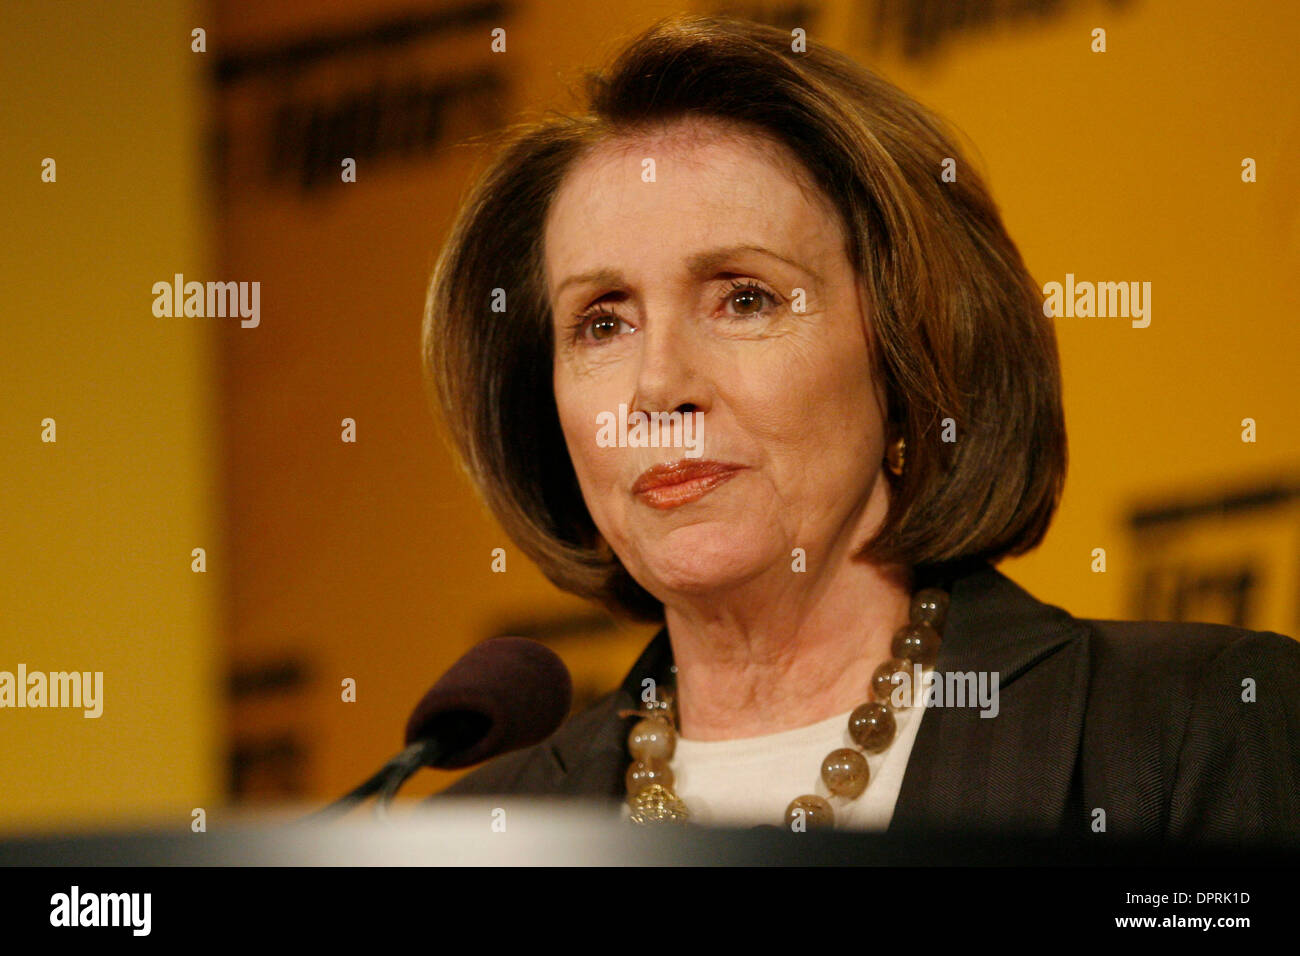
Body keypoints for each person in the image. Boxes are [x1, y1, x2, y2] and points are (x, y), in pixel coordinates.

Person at [419, 14, 1300, 843]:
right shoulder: (483, 831)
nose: (659, 387)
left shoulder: (1191, 729)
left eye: (744, 299)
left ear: (906, 343)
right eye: (603, 322)